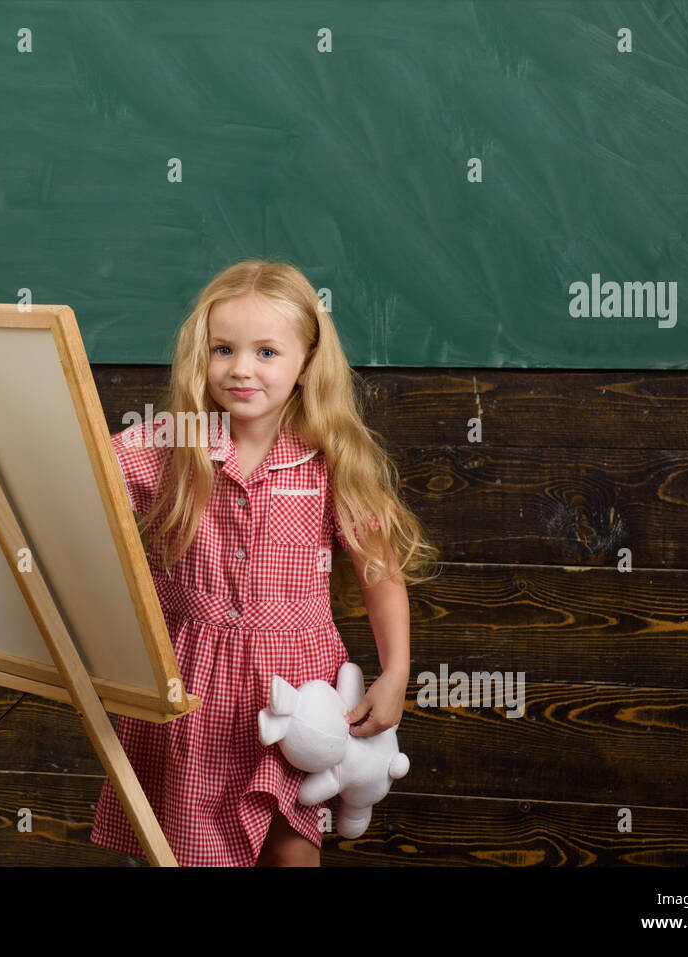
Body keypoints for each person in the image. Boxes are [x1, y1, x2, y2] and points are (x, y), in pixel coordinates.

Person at [90, 260, 440, 866]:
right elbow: (85, 477)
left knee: (293, 852)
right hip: (192, 687)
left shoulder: (330, 457)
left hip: (299, 693)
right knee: (189, 849)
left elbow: (379, 572)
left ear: (307, 363)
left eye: (267, 352)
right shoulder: (171, 444)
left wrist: (397, 672)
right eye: (223, 349)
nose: (241, 368)